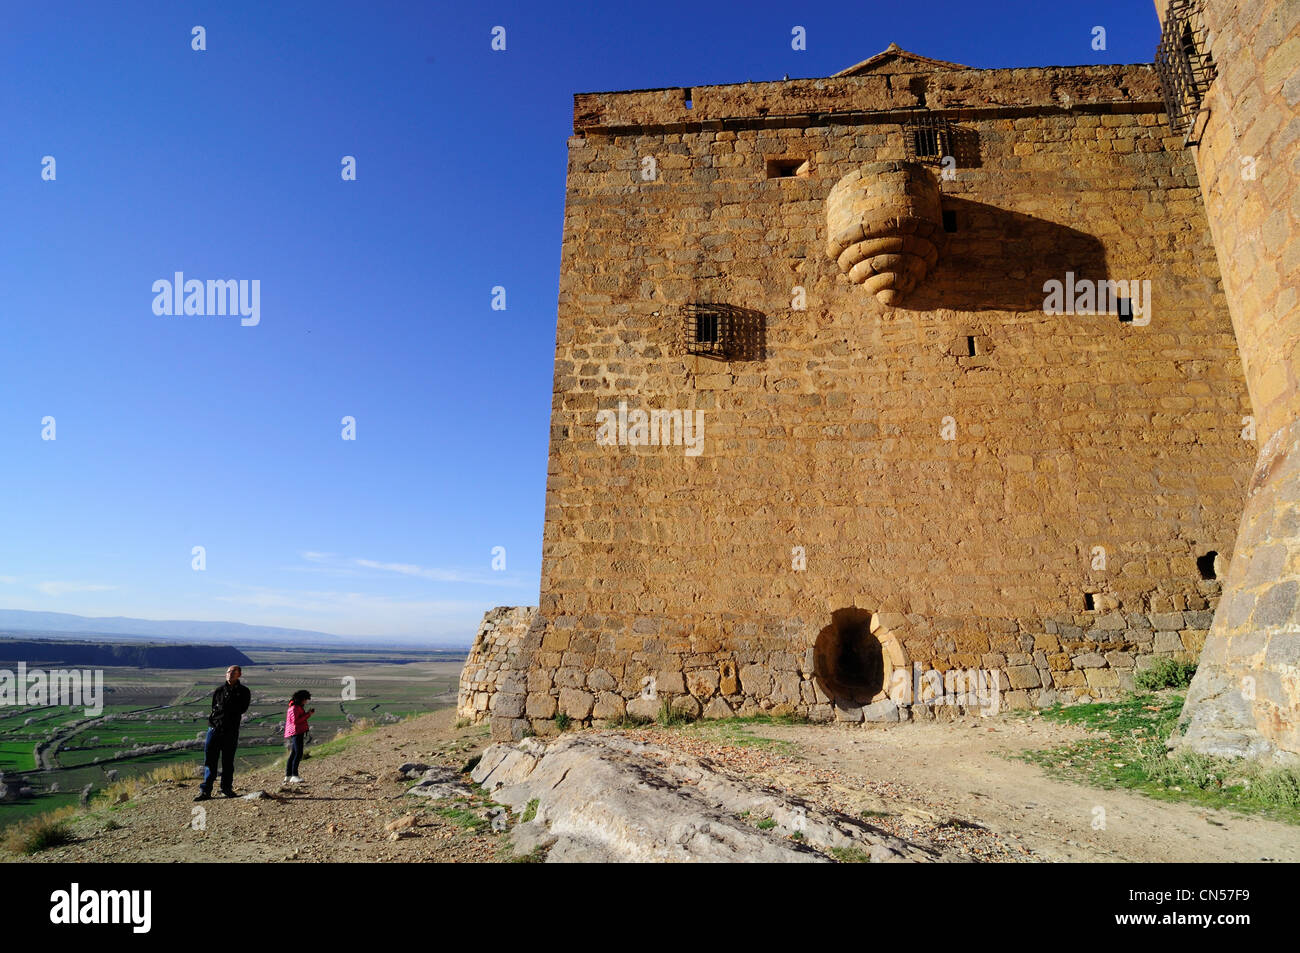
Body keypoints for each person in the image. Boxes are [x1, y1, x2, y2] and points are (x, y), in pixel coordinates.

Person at [194, 665, 251, 801]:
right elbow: (214, 708)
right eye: (228, 672)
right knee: (210, 761)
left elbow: (242, 709)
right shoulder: (219, 690)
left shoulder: (243, 691)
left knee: (228, 761)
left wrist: (228, 709)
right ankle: (205, 790)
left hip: (230, 730)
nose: (229, 674)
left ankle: (226, 789)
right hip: (214, 729)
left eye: (233, 672)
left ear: (239, 674)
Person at [283, 690, 314, 784]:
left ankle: (288, 776)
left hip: (296, 731)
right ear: (302, 699)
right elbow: (296, 721)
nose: (306, 701)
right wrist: (308, 714)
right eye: (306, 699)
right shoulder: (295, 708)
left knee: (294, 753)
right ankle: (294, 775)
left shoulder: (295, 707)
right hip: (296, 732)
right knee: (298, 753)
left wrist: (307, 714)